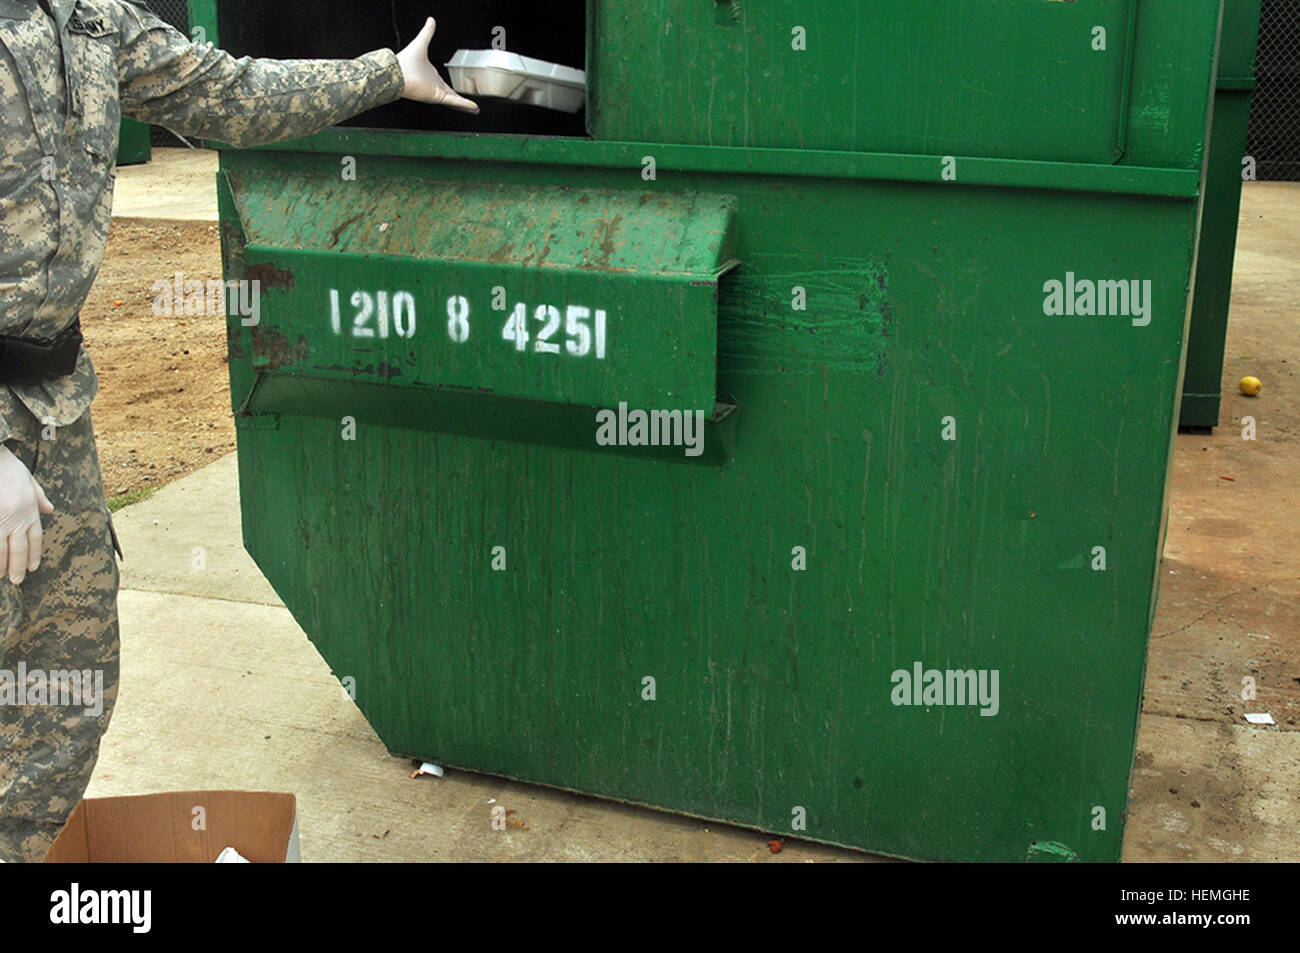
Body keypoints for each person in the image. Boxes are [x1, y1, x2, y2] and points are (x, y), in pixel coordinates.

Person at [0, 0, 476, 862]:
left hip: (53, 410)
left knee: (64, 697)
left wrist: (386, 74)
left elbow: (227, 91)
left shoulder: (92, 21)